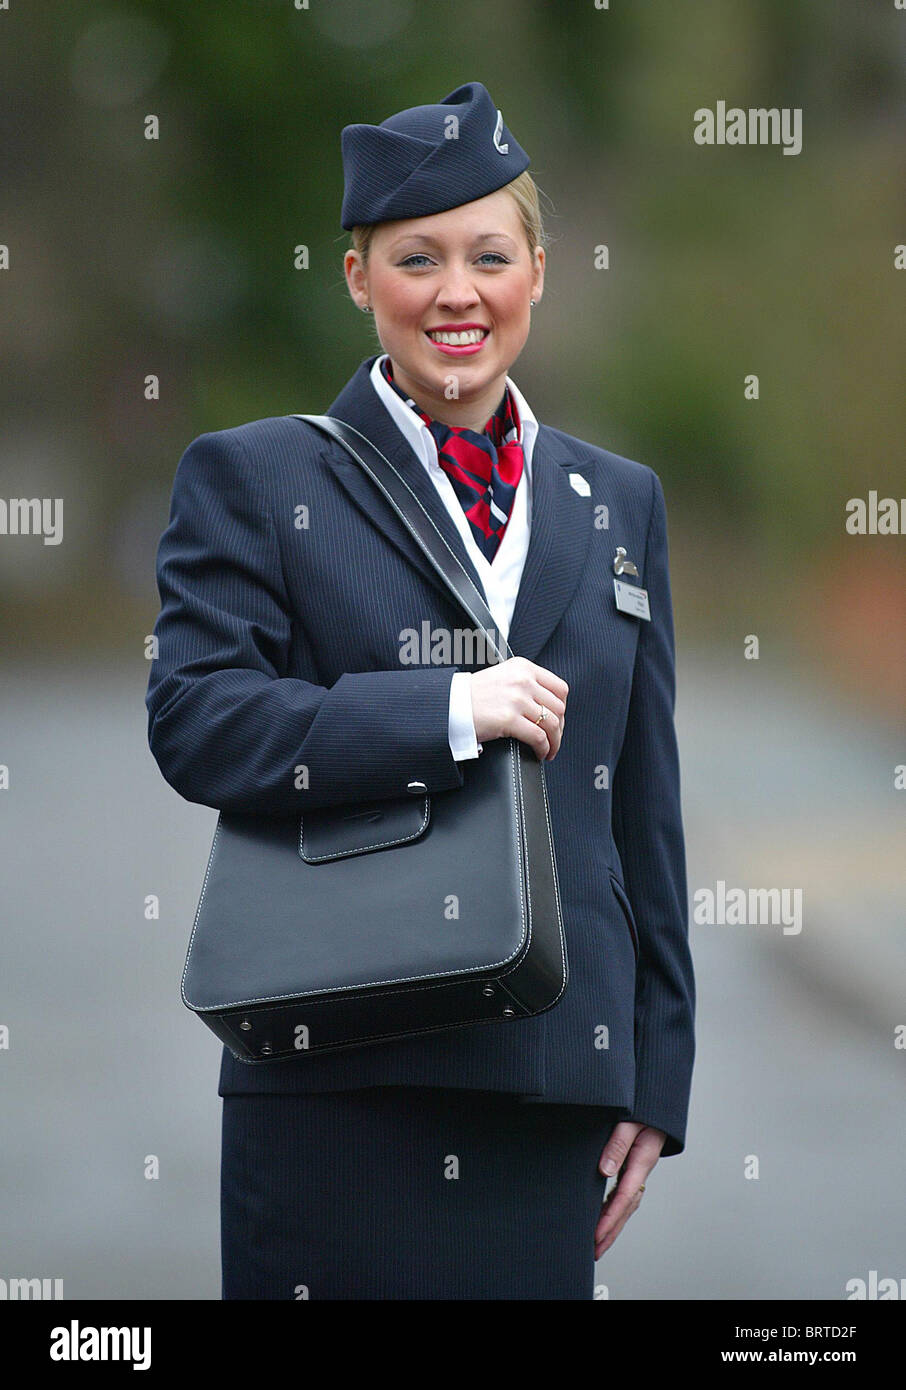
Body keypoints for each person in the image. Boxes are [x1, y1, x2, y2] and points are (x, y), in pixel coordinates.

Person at [146, 80, 695, 1301]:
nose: (459, 292)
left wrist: (655, 1081)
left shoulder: (620, 502)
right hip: (342, 1073)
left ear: (538, 271)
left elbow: (640, 804)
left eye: (489, 255)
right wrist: (451, 710)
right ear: (359, 279)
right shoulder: (255, 475)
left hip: (555, 1085)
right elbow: (195, 721)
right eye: (418, 258)